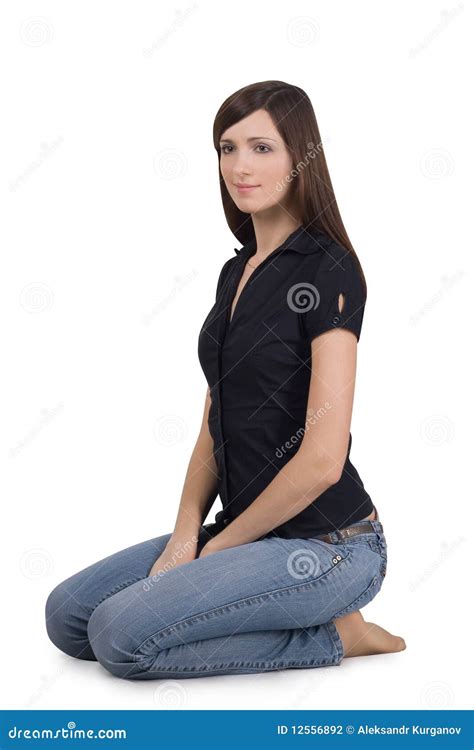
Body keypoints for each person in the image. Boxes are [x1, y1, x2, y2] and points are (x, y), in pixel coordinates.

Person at [45, 80, 405, 680]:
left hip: (330, 547)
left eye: (262, 148)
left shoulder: (329, 268)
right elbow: (216, 421)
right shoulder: (235, 271)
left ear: (300, 157)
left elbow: (322, 461)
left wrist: (219, 549)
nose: (239, 166)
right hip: (243, 532)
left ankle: (339, 633)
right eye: (226, 147)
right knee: (70, 617)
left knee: (119, 639)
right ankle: (237, 589)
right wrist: (188, 535)